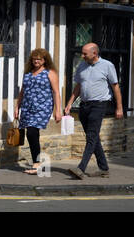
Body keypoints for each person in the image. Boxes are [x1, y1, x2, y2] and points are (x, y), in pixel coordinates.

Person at [63, 42, 123, 179]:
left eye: (85, 53)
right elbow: (78, 86)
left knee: (91, 136)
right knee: (93, 137)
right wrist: (69, 103)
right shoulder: (82, 66)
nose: (82, 56)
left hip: (99, 104)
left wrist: (119, 108)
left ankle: (81, 168)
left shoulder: (107, 66)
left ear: (94, 53)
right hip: (84, 105)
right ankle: (104, 168)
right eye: (82, 53)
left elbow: (115, 87)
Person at [13, 47, 60, 174]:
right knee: (31, 133)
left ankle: (37, 163)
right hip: (27, 106)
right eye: (34, 59)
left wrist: (58, 110)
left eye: (39, 59)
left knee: (32, 132)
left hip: (42, 107)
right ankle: (36, 162)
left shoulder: (50, 73)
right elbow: (22, 91)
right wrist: (17, 107)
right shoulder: (28, 73)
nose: (36, 62)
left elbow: (56, 92)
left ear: (44, 60)